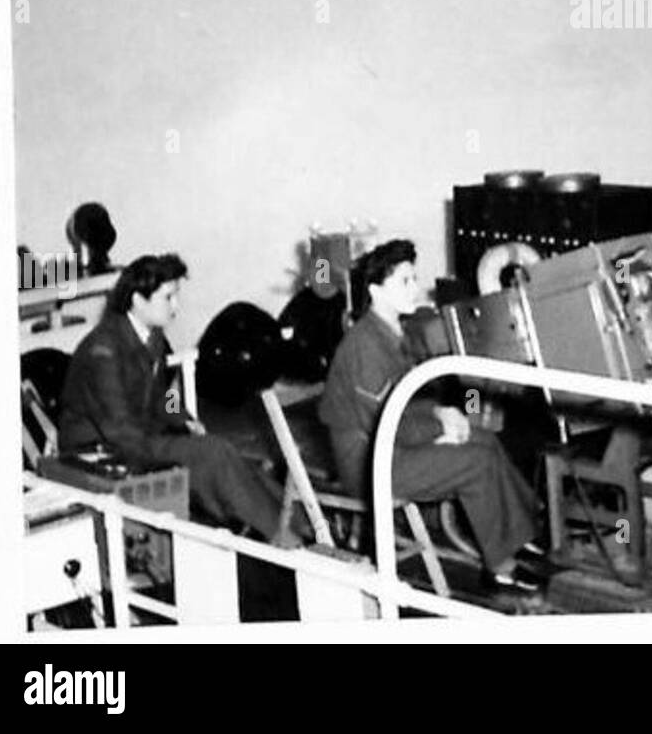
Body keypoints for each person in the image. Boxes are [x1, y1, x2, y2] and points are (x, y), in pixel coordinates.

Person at [318, 239, 542, 589]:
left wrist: (441, 411)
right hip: (370, 462)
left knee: (485, 441)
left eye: (414, 278)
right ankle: (500, 567)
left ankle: (517, 535)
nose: (415, 289)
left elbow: (408, 399)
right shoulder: (364, 345)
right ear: (376, 291)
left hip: (394, 443)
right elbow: (386, 424)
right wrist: (439, 430)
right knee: (475, 461)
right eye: (404, 281)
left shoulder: (393, 331)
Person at [58, 254, 286, 542]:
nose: (176, 307)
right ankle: (282, 537)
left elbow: (161, 395)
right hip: (96, 448)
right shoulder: (103, 351)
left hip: (133, 433)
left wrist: (186, 421)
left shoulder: (149, 337)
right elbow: (121, 433)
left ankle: (294, 523)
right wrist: (176, 448)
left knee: (227, 453)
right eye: (168, 298)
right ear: (138, 300)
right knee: (213, 454)